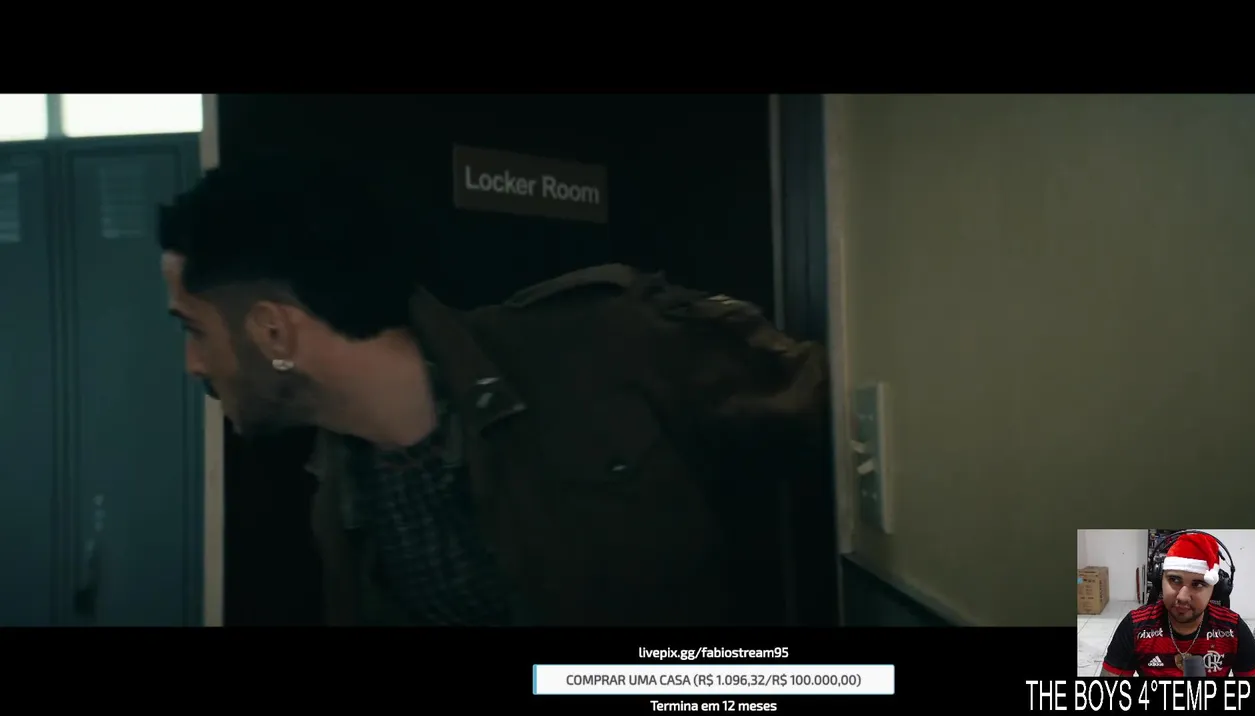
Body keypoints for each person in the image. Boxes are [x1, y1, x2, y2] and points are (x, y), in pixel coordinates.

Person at [157, 160, 831, 627]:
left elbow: (840, 418)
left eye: (193, 329)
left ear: (273, 330)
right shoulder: (341, 494)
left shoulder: (605, 340)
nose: (191, 365)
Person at [1100, 532, 1255, 677]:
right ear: (1160, 580)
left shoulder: (1233, 630)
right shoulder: (1135, 627)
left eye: (1198, 584)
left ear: (1215, 590)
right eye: (1174, 580)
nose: (1183, 597)